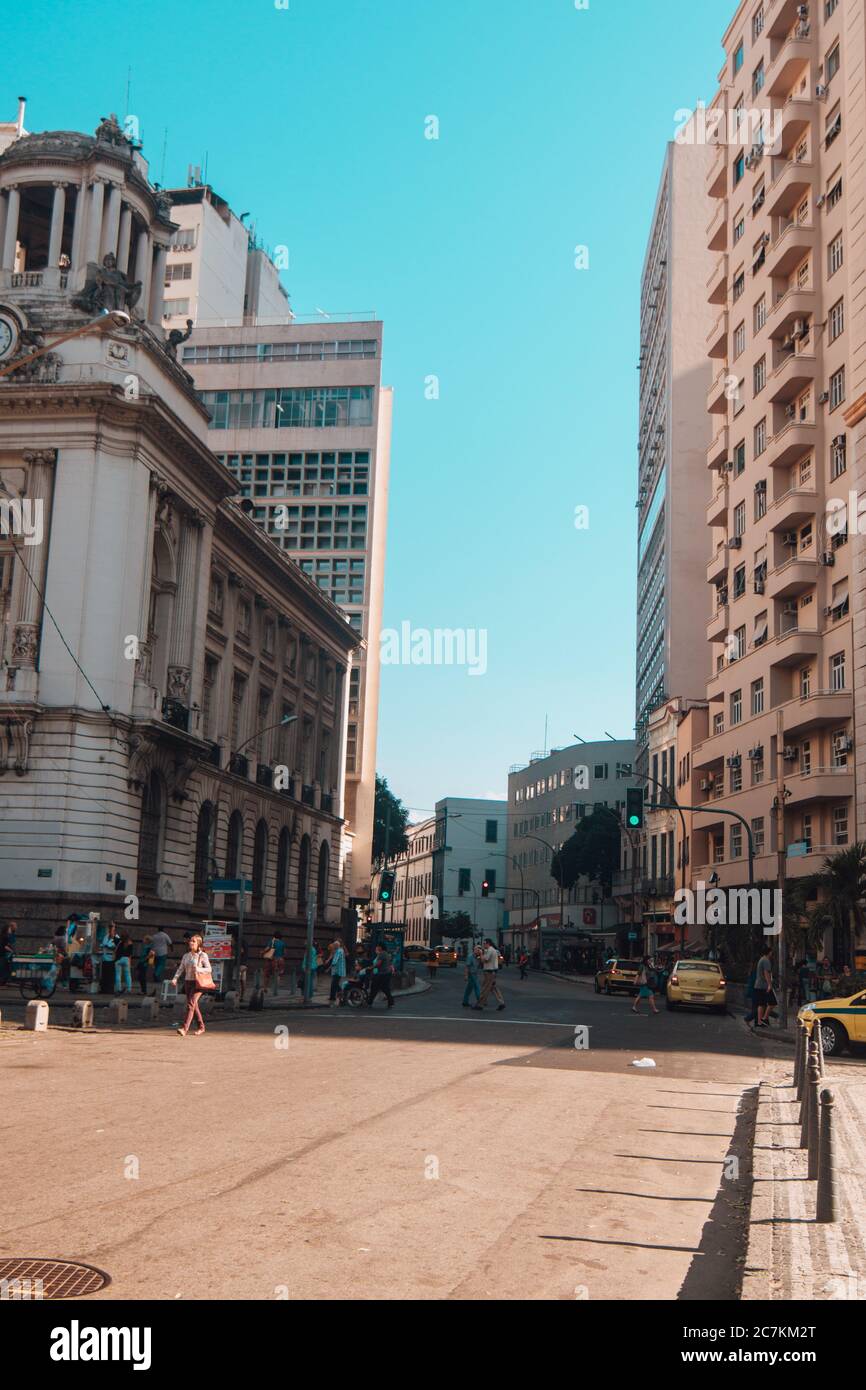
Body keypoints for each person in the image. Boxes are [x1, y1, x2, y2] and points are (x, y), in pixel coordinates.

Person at [171, 932, 213, 1036]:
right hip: (188, 982)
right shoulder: (186, 956)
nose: (191, 943)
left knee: (191, 1004)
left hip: (198, 983)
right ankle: (201, 1027)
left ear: (199, 944)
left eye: (193, 941)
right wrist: (175, 979)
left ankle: (184, 1029)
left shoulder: (203, 955)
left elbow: (209, 969)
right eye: (190, 941)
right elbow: (181, 968)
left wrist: (198, 969)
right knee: (194, 1005)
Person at [473, 938, 505, 1011]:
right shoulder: (491, 950)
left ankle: (480, 1004)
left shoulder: (490, 950)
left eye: (484, 943)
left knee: (485, 989)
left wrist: (481, 954)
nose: (483, 945)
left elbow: (485, 960)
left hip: (489, 972)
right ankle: (501, 1003)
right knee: (493, 988)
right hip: (492, 972)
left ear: (488, 943)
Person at [368, 943, 395, 1008]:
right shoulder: (387, 954)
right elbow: (390, 964)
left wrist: (371, 967)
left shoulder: (382, 954)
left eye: (378, 946)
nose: (377, 948)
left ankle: (369, 1002)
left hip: (381, 974)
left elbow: (378, 964)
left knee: (374, 987)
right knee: (385, 988)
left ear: (381, 947)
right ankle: (391, 1002)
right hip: (387, 973)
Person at [754, 949, 774, 1027]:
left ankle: (760, 1021)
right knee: (773, 1002)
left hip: (759, 985)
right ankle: (764, 1018)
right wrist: (769, 984)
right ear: (769, 952)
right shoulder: (766, 961)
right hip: (763, 985)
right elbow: (766, 973)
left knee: (761, 1004)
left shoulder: (761, 959)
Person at [326, 936, 347, 1006]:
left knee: (334, 984)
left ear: (337, 945)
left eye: (334, 945)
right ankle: (335, 996)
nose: (333, 947)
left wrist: (328, 968)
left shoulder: (338, 951)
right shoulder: (340, 950)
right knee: (335, 984)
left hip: (338, 971)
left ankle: (337, 996)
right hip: (339, 970)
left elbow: (335, 961)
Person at [100, 921, 120, 993]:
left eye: (112, 927)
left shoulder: (116, 937)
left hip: (111, 958)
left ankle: (110, 989)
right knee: (104, 974)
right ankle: (104, 989)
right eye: (110, 927)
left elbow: (116, 946)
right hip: (104, 957)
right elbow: (103, 943)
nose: (110, 928)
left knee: (110, 975)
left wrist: (109, 946)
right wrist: (102, 946)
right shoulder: (106, 936)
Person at [0, 921, 16, 986]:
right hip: (2, 954)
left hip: (2, 953)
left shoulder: (3, 936)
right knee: (3, 967)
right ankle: (3, 980)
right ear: (7, 929)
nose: (10, 930)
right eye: (9, 929)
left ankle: (4, 980)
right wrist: (12, 951)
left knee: (4, 967)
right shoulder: (5, 936)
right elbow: (5, 946)